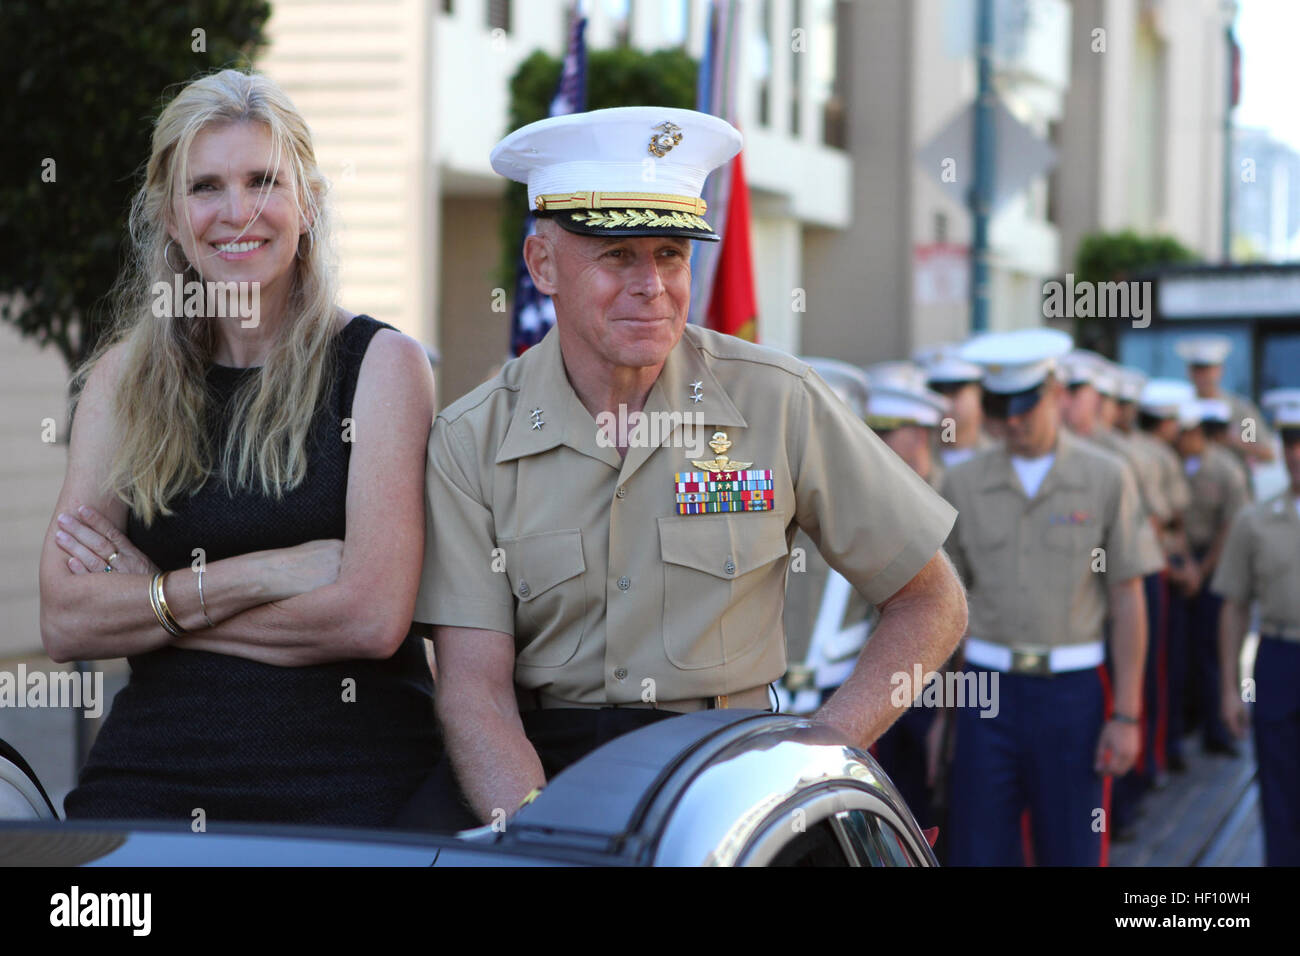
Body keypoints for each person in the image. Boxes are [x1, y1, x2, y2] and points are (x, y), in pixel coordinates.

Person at [412, 107, 968, 829]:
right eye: (617, 255)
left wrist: (818, 754)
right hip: (544, 771)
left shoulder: (777, 400)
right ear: (542, 264)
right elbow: (475, 692)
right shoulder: (470, 439)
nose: (652, 285)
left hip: (729, 775)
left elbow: (932, 601)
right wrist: (538, 833)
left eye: (671, 253)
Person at [39, 69, 440, 827]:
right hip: (148, 778)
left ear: (308, 203)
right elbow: (66, 621)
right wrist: (275, 571)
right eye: (206, 187)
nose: (237, 213)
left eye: (264, 180)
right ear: (167, 215)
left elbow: (370, 619)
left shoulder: (381, 366)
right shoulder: (122, 380)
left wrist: (154, 598)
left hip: (349, 782)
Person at [940, 328, 1161, 866]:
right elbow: (943, 605)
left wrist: (1128, 715)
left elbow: (1129, 597)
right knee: (978, 851)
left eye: (1024, 406)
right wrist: (943, 711)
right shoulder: (961, 482)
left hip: (1073, 694)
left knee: (1072, 849)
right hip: (985, 691)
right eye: (998, 408)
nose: (1011, 422)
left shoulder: (1106, 477)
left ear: (1056, 392)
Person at [1213, 389, 1300, 865]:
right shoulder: (1255, 521)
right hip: (1280, 659)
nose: (1297, 453)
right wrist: (1230, 688)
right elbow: (1234, 606)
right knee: (1280, 793)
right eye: (1290, 441)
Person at [1175, 399, 1250, 757]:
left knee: (1214, 650)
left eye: (1185, 433)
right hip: (1180, 561)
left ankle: (1217, 729)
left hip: (1214, 563)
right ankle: (1183, 724)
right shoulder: (1173, 463)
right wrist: (1186, 565)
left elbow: (1231, 526)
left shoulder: (1225, 469)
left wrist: (1201, 571)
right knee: (1180, 651)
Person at [1175, 334, 1274, 467]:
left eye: (1209, 369)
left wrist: (1232, 440)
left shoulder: (1240, 411)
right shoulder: (1178, 408)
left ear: (1219, 370)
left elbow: (1267, 453)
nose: (1204, 375)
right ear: (1190, 371)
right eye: (1198, 369)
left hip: (1231, 481)